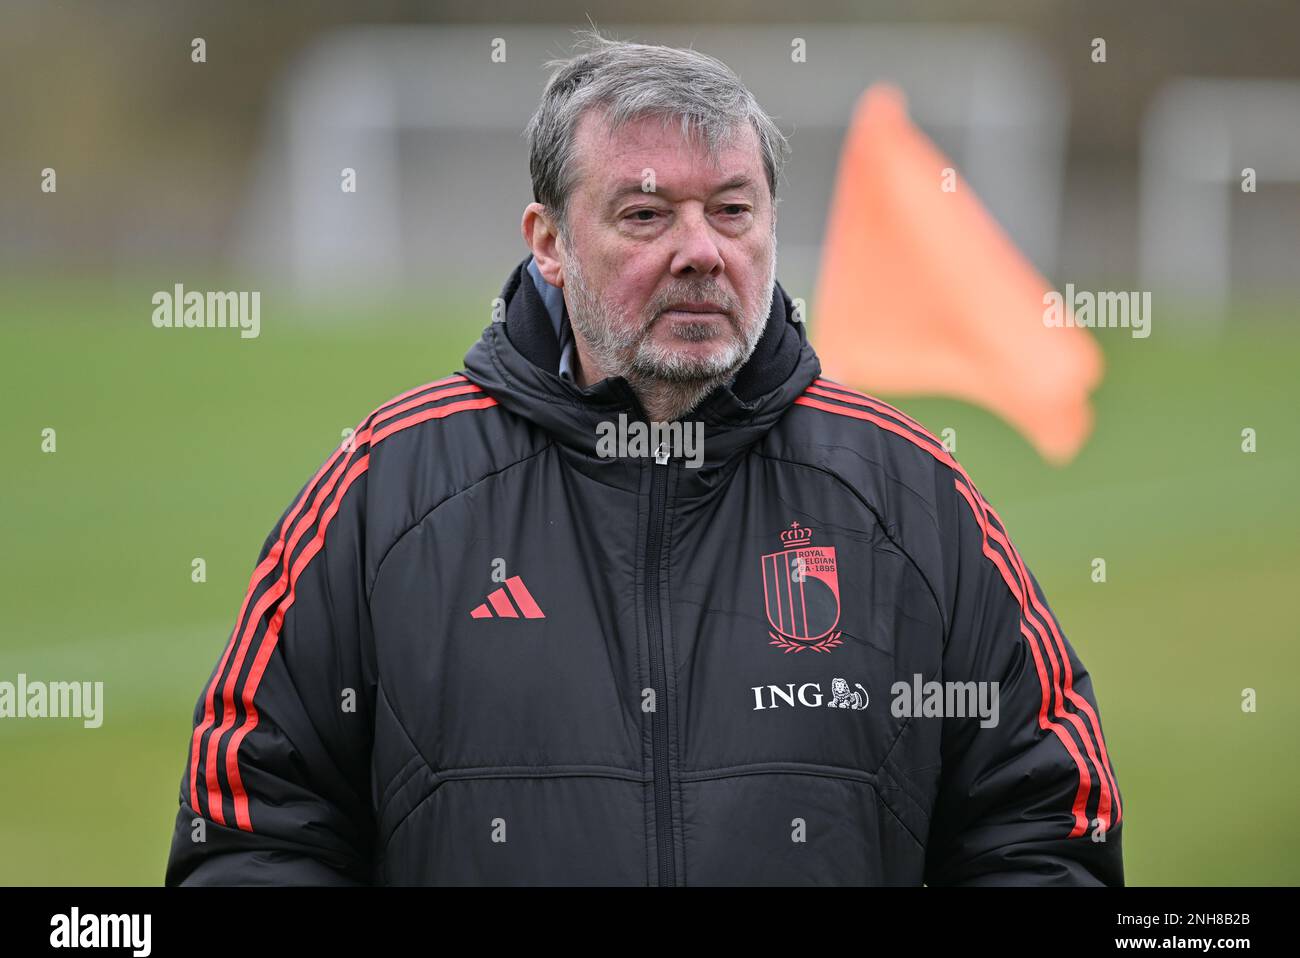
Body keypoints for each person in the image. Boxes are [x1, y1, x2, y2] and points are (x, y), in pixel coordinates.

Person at [166, 30, 1123, 885]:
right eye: (646, 215)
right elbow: (253, 831)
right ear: (549, 242)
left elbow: (1044, 825)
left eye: (733, 211)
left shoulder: (913, 495)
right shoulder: (386, 488)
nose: (701, 251)